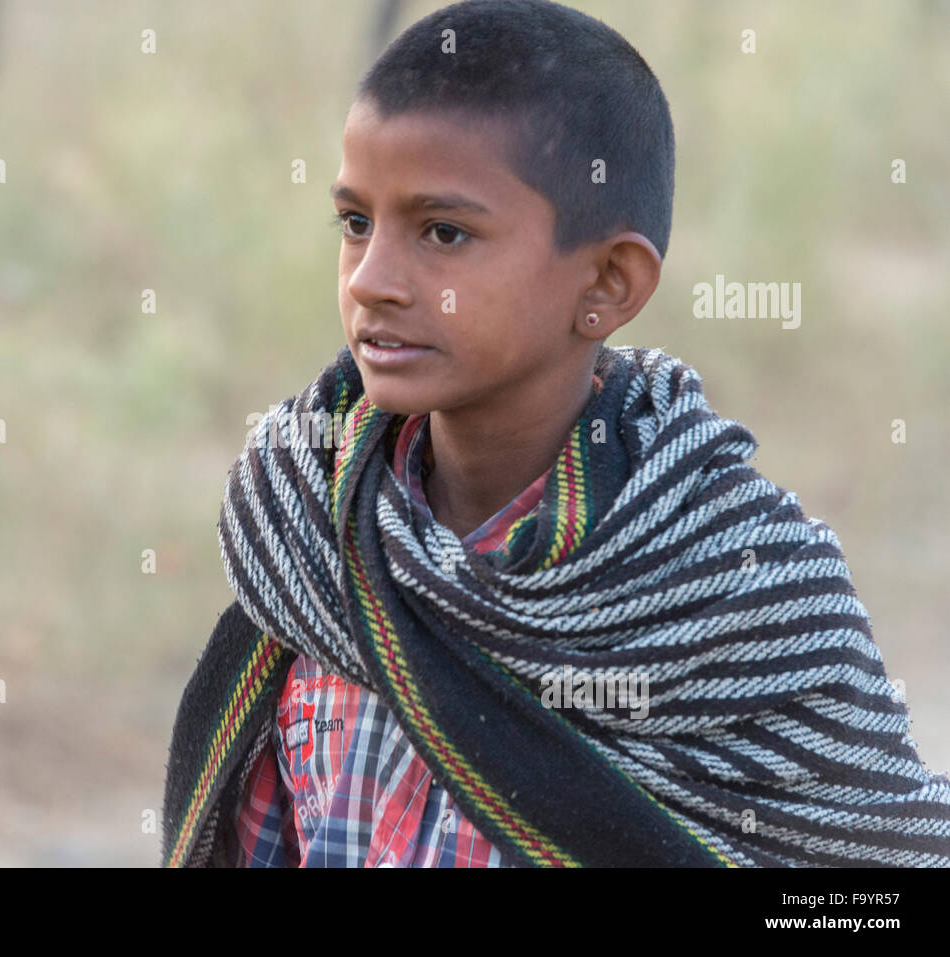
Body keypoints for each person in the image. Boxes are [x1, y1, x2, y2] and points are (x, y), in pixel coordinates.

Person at [160, 0, 950, 867]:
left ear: (609, 281)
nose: (373, 280)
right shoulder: (310, 531)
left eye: (444, 232)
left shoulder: (740, 586)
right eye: (356, 223)